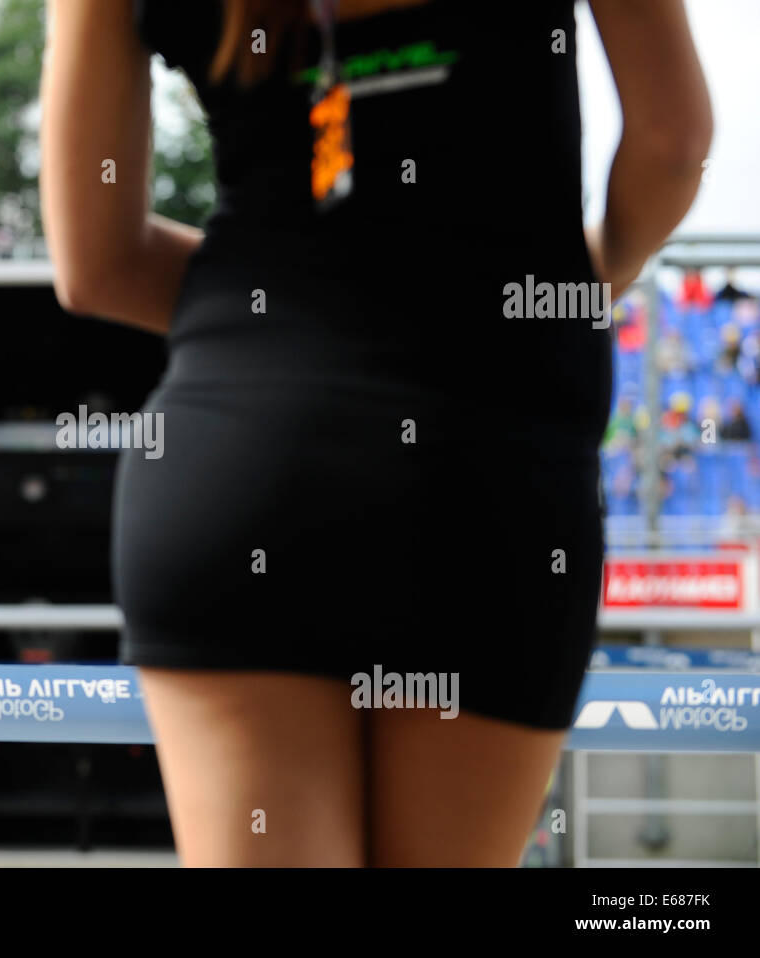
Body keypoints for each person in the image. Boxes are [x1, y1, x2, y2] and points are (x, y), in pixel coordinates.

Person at [40, 0, 711, 865]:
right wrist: (567, 293)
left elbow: (96, 265)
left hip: (234, 468)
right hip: (486, 472)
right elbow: (672, 143)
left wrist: (272, 324)